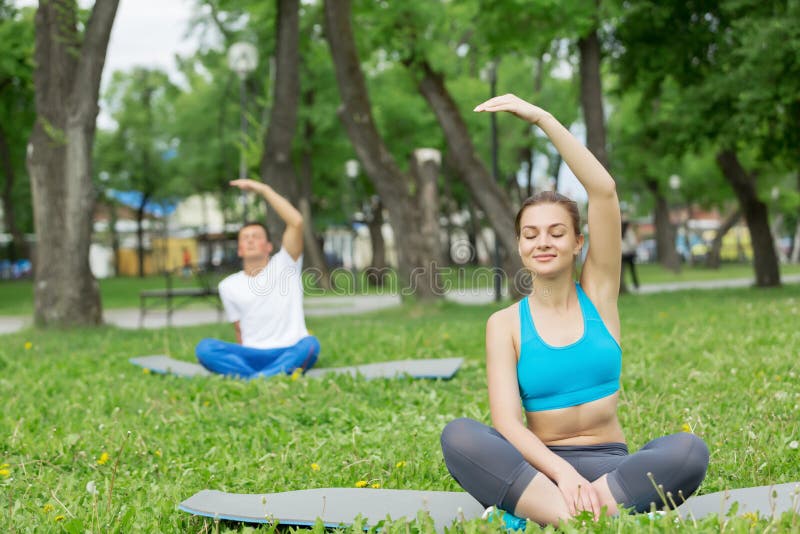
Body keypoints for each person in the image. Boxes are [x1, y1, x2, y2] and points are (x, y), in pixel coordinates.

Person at [440, 95, 708, 527]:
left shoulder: (599, 295)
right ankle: (582, 514)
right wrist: (563, 474)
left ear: (578, 242)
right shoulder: (504, 324)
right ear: (520, 246)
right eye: (530, 234)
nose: (543, 242)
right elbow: (507, 423)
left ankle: (561, 513)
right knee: (460, 436)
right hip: (540, 472)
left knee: (689, 451)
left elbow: (603, 191)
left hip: (612, 470)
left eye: (556, 232)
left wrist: (543, 119)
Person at [195, 179, 320, 378]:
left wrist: (263, 189)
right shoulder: (228, 285)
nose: (251, 240)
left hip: (288, 350)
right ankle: (269, 375)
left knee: (311, 345)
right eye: (245, 238)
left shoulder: (286, 264)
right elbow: (239, 330)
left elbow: (296, 221)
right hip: (251, 354)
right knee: (205, 348)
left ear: (268, 246)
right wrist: (241, 356)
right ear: (239, 250)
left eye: (256, 236)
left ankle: (254, 378)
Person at [621, 218, 640, 290]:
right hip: (629, 254)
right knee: (632, 270)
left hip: (622, 254)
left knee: (622, 270)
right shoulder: (629, 232)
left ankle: (621, 283)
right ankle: (636, 284)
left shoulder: (620, 232)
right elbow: (633, 243)